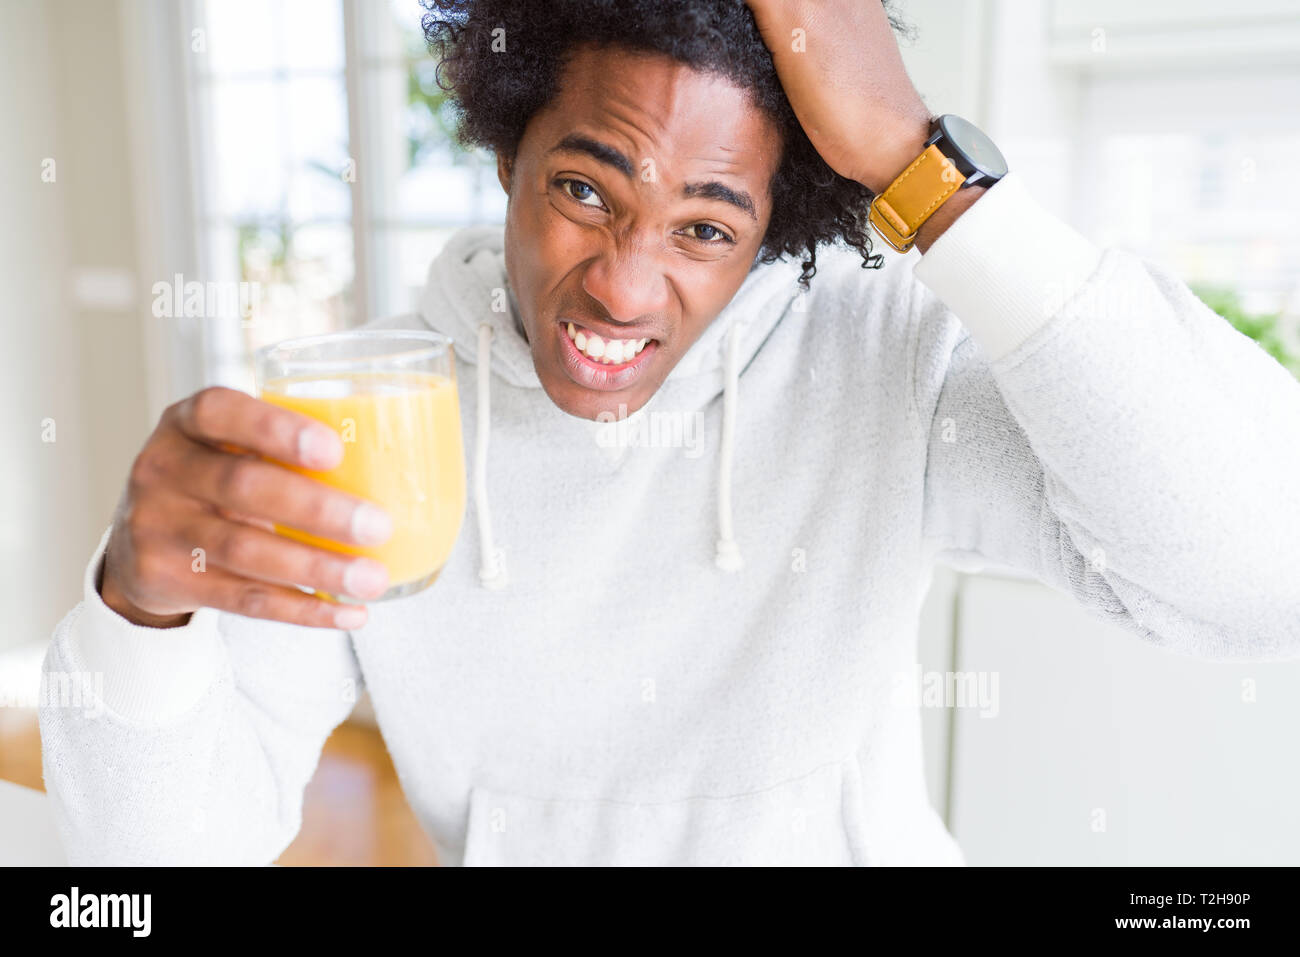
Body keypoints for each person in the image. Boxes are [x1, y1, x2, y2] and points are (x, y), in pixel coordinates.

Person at [40, 0, 1300, 866]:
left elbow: (1258, 572)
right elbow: (153, 867)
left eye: (705, 226)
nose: (624, 290)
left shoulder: (882, 363)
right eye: (584, 190)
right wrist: (140, 615)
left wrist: (922, 164)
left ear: (771, 232)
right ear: (506, 156)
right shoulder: (388, 419)